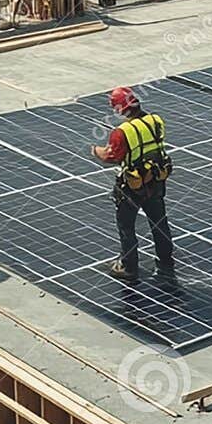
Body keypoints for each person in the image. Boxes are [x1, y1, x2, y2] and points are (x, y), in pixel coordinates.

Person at [91, 86, 174, 283]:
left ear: (120, 109)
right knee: (159, 221)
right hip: (155, 179)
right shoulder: (156, 121)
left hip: (132, 186)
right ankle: (165, 257)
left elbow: (112, 156)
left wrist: (96, 150)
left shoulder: (122, 132)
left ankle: (129, 267)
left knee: (126, 226)